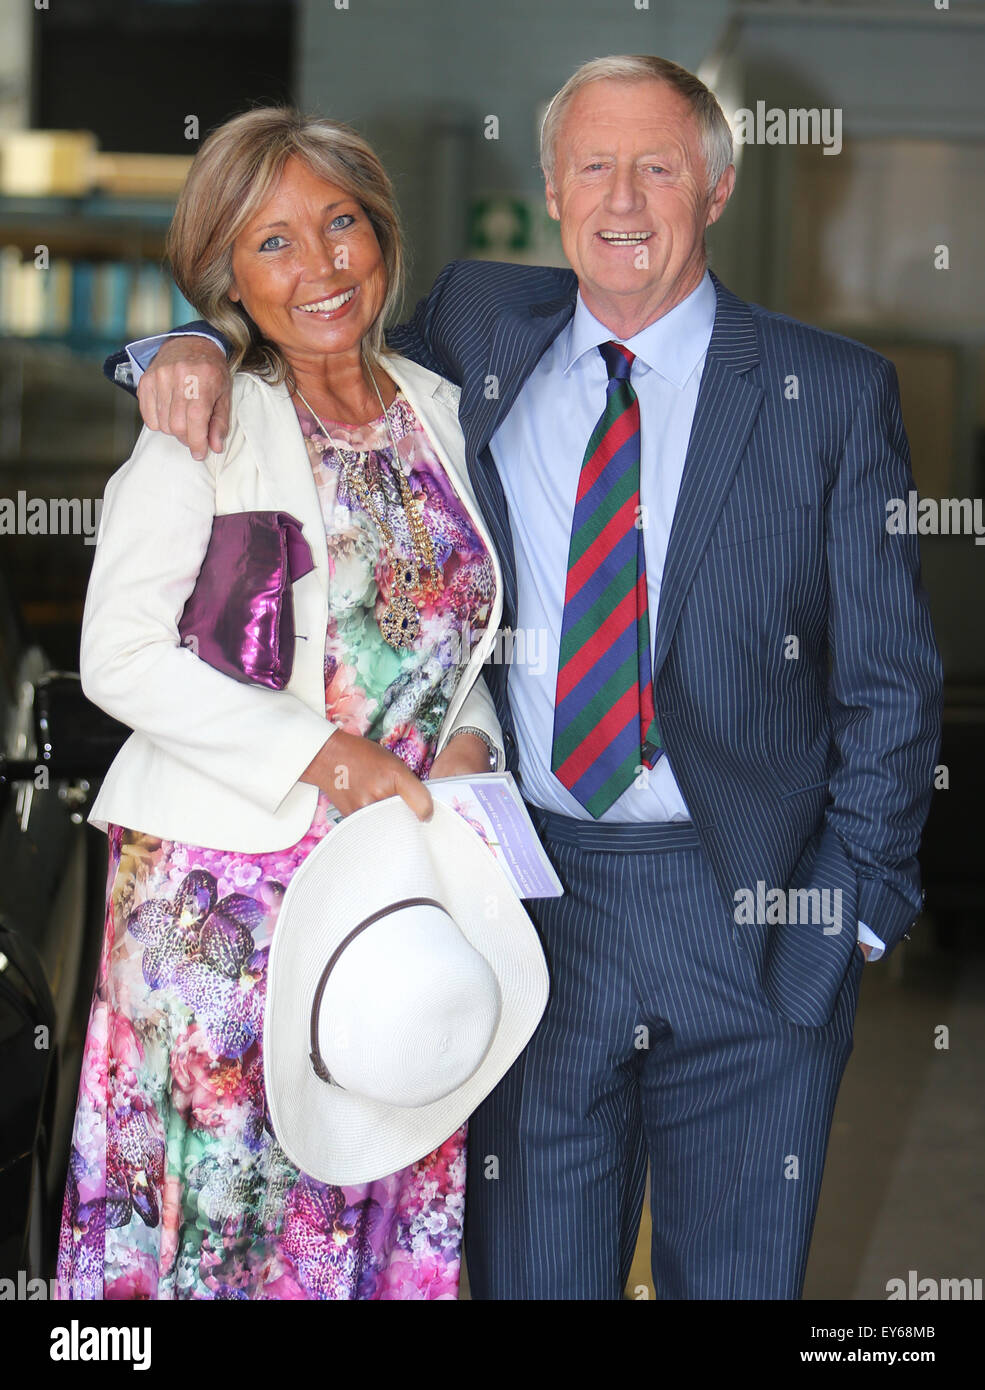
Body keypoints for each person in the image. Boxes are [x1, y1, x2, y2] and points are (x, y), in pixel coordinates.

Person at [107, 56, 943, 1300]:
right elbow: (295, 323)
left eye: (658, 165)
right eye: (592, 165)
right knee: (530, 1278)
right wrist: (173, 344)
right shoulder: (477, 332)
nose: (623, 198)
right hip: (528, 902)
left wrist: (850, 912)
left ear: (715, 186)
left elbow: (892, 681)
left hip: (751, 908)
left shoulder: (826, 391)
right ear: (548, 188)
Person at [58, 107, 507, 1301]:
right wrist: (326, 755)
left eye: (338, 222)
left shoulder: (443, 410)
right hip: (224, 901)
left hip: (395, 892)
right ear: (226, 277)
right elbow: (120, 656)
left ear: (380, 227)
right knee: (227, 1221)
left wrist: (469, 736)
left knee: (376, 1182)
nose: (319, 267)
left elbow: (464, 646)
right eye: (272, 243)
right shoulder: (203, 420)